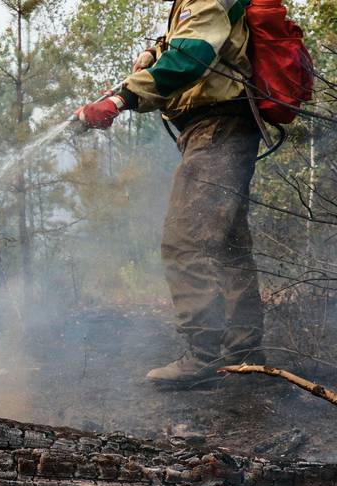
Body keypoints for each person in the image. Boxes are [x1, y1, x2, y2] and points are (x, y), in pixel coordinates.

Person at [75, 0, 265, 387]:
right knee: (229, 246)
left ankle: (203, 358)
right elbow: (183, 56)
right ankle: (245, 356)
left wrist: (119, 99)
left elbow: (192, 57)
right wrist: (151, 57)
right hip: (222, 128)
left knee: (184, 242)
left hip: (218, 127)